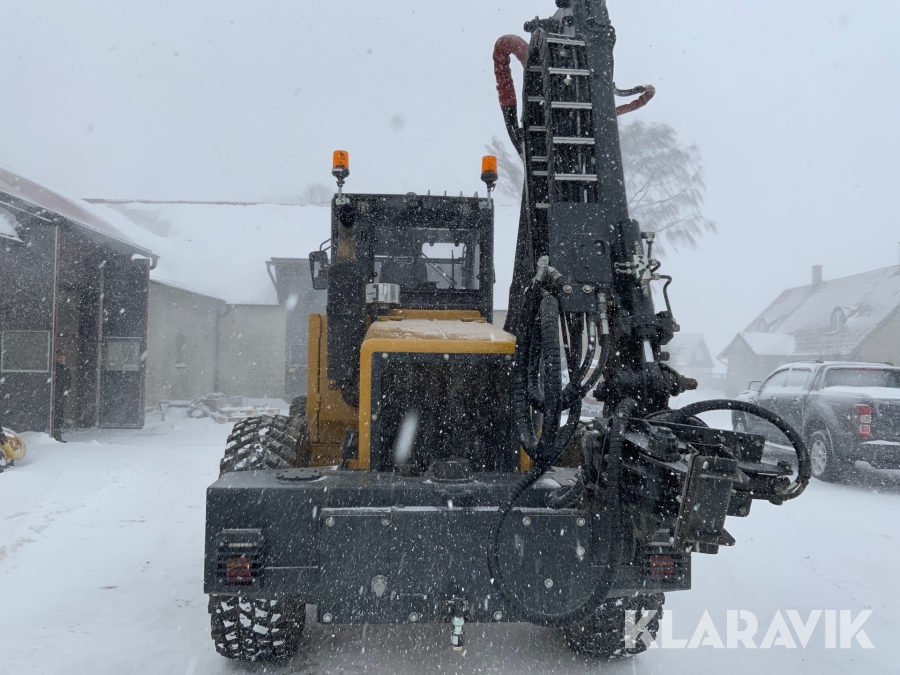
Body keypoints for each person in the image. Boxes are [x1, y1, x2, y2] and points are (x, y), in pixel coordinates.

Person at [53, 351, 70, 443]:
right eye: (60, 358)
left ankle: (57, 434)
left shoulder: (66, 369)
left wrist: (66, 390)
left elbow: (69, 381)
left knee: (59, 414)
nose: (61, 360)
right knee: (56, 414)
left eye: (63, 358)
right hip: (55, 394)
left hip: (61, 395)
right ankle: (55, 435)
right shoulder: (54, 368)